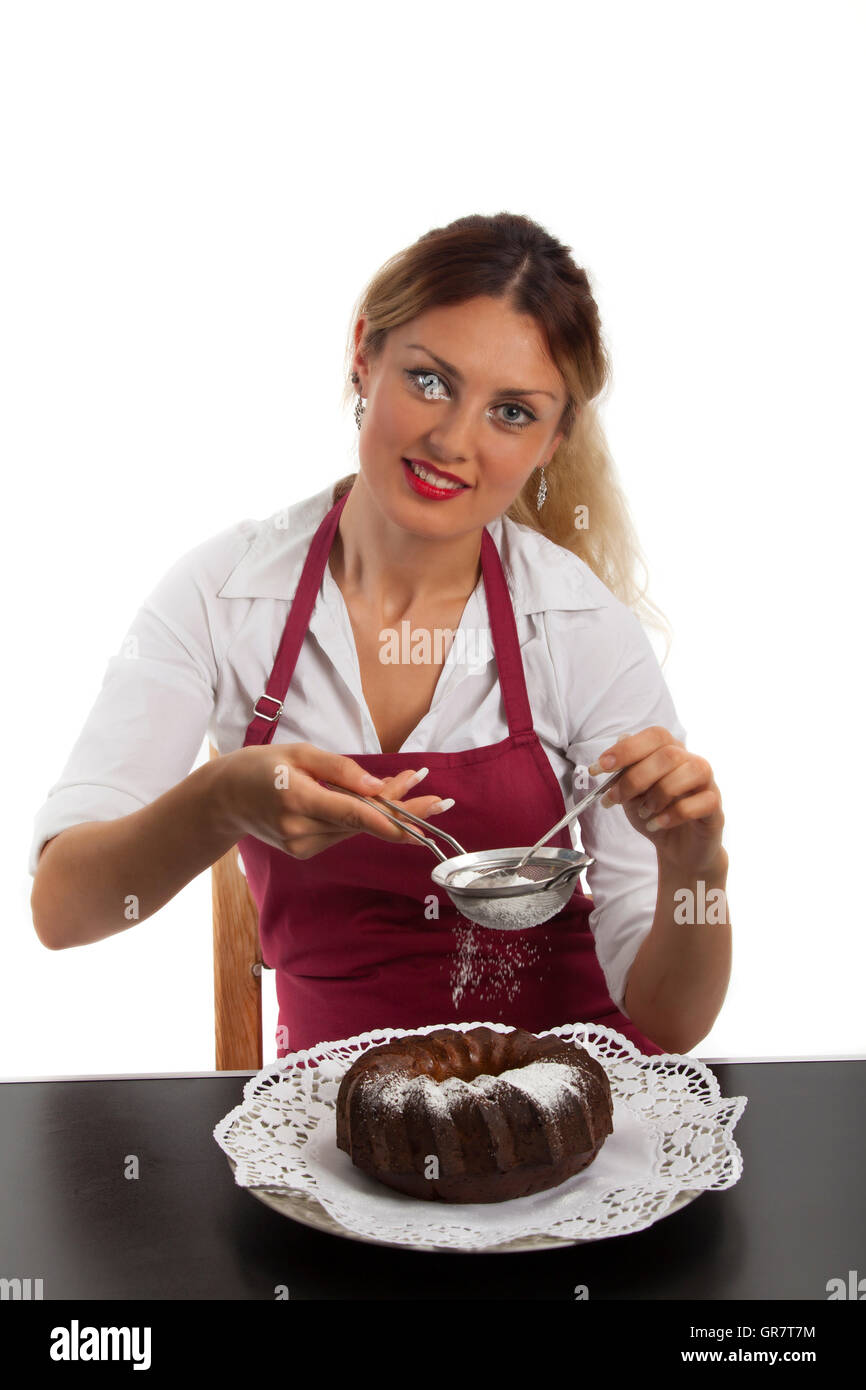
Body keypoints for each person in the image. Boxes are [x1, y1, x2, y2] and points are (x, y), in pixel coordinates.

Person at [30, 211, 730, 1059]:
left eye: (511, 412)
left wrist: (697, 867)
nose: (452, 440)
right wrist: (220, 802)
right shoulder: (225, 596)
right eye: (430, 380)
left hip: (571, 1119)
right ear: (364, 353)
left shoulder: (577, 627)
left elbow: (668, 1022)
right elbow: (63, 913)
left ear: (553, 441)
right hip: (327, 1136)